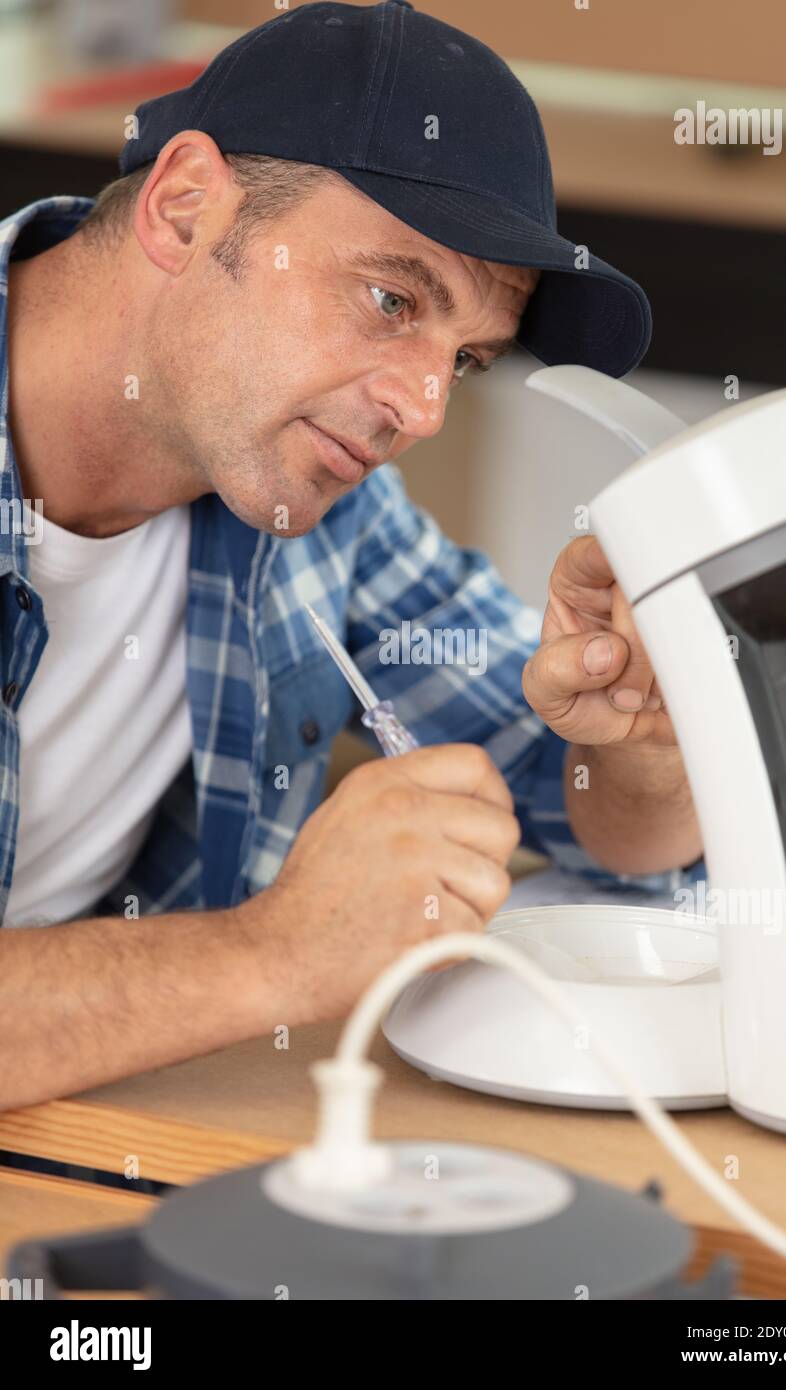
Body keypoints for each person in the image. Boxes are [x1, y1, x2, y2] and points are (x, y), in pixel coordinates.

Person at [0, 1, 703, 1109]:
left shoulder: (302, 501)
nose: (423, 410)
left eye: (465, 359)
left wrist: (638, 728)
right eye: (390, 299)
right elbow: (281, 957)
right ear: (185, 209)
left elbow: (607, 825)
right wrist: (272, 955)